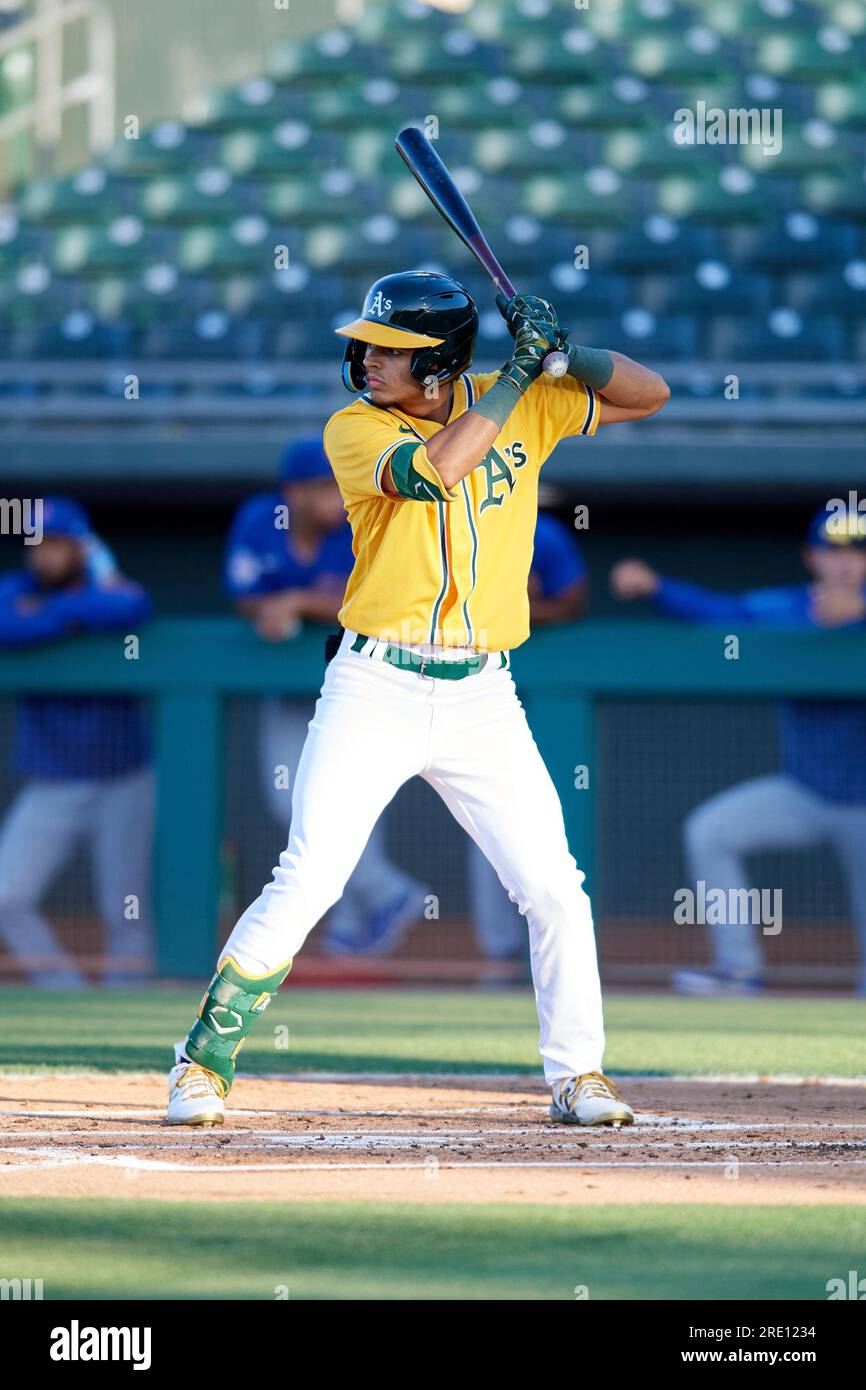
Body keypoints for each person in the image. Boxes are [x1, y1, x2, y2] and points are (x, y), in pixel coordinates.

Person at [167, 269, 669, 1128]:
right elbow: (437, 471)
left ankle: (579, 1075)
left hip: (483, 693)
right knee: (312, 873)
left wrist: (564, 354)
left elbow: (650, 393)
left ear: (440, 364)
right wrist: (518, 375)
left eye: (391, 351)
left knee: (553, 886)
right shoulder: (355, 429)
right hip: (377, 682)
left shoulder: (524, 402)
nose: (367, 359)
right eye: (367, 345)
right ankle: (201, 1065)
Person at [610, 505, 866, 996]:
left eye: (858, 551)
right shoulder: (789, 608)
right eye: (835, 550)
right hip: (807, 790)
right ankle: (738, 969)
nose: (847, 563)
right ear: (812, 557)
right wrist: (655, 586)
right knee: (712, 831)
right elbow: (721, 614)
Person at [225, 436, 429, 955]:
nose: (336, 498)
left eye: (338, 485)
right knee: (293, 802)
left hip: (366, 687)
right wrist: (274, 608)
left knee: (349, 800)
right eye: (323, 488)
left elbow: (373, 596)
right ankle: (381, 896)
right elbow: (244, 594)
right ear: (293, 491)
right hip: (292, 693)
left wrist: (294, 599)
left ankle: (358, 914)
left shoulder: (366, 513)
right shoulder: (259, 519)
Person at [0, 496, 154, 987]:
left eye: (58, 545)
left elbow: (131, 607)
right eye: (36, 545)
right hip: (53, 779)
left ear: (82, 548)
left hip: (124, 776)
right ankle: (66, 994)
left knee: (125, 908)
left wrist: (57, 610)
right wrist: (70, 614)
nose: (44, 555)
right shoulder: (13, 589)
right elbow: (10, 624)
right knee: (7, 896)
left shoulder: (109, 585)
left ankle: (129, 1011)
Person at [468, 509, 588, 968]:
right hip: (461, 681)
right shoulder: (437, 513)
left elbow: (573, 603)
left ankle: (554, 968)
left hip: (529, 688)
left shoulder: (545, 532)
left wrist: (509, 606)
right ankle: (500, 957)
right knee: (486, 829)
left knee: (544, 837)